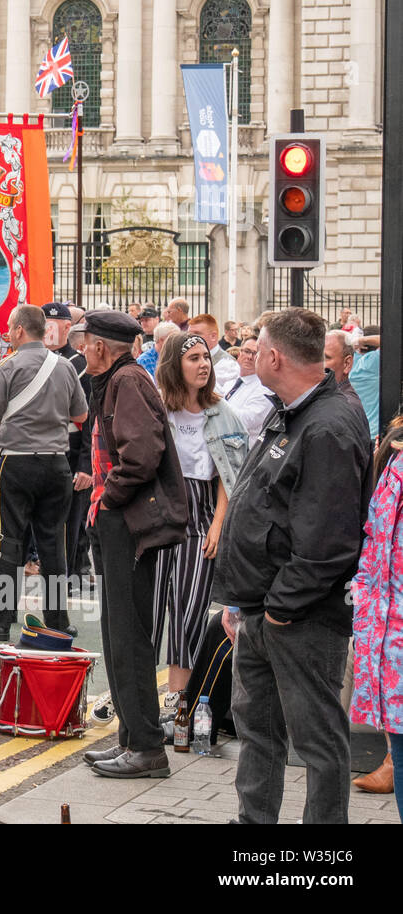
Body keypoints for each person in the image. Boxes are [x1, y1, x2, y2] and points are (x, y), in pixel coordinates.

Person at [214, 308, 372, 824]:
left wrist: (279, 610)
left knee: (317, 741)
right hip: (262, 612)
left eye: (256, 348)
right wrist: (242, 604)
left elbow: (328, 541)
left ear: (274, 356)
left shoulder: (328, 424)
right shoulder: (294, 410)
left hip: (300, 617)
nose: (250, 355)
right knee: (257, 732)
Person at [78, 310, 186, 779]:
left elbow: (141, 456)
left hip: (128, 522)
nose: (82, 350)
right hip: (119, 520)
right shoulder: (120, 379)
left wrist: (107, 500)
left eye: (86, 343)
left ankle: (146, 748)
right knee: (117, 634)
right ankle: (130, 739)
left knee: (128, 637)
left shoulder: (127, 382)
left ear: (101, 346)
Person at [0, 305, 87, 640]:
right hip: (56, 462)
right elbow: (81, 414)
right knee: (54, 543)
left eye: (9, 327)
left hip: (16, 462)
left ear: (19, 330)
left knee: (9, 542)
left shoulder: (7, 366)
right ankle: (58, 621)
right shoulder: (64, 367)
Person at [153, 331, 248, 714]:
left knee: (189, 615)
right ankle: (141, 707)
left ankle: (177, 707)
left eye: (205, 357)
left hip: (201, 516)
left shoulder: (223, 411)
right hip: (159, 515)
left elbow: (230, 477)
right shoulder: (159, 408)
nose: (203, 364)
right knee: (149, 612)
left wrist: (218, 524)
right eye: (193, 358)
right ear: (175, 365)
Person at [349, 416, 402, 806]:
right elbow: (374, 538)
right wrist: (364, 613)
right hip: (389, 642)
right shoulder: (394, 462)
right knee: (400, 752)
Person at [46, 303, 95, 582]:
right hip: (31, 454)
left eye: (56, 325)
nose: (50, 331)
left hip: (69, 451)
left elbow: (89, 419)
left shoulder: (79, 366)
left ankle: (62, 590)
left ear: (67, 328)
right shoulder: (27, 358)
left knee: (67, 526)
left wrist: (87, 464)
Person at [223, 334, 275, 446]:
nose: (250, 357)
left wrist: (218, 403)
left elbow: (246, 421)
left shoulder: (265, 389)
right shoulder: (229, 384)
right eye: (246, 351)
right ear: (239, 353)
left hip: (244, 452)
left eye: (255, 353)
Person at [324, 328, 368, 429]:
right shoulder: (328, 399)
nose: (315, 364)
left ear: (347, 363)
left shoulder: (343, 408)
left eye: (325, 357)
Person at [187, 313, 240, 390]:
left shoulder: (229, 365)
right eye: (189, 335)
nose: (191, 339)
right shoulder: (187, 359)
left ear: (213, 336)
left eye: (196, 334)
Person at [350, 326, 381, 439]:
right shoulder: (373, 361)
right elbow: (391, 341)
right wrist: (362, 340)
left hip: (354, 429)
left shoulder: (352, 360)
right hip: (373, 430)